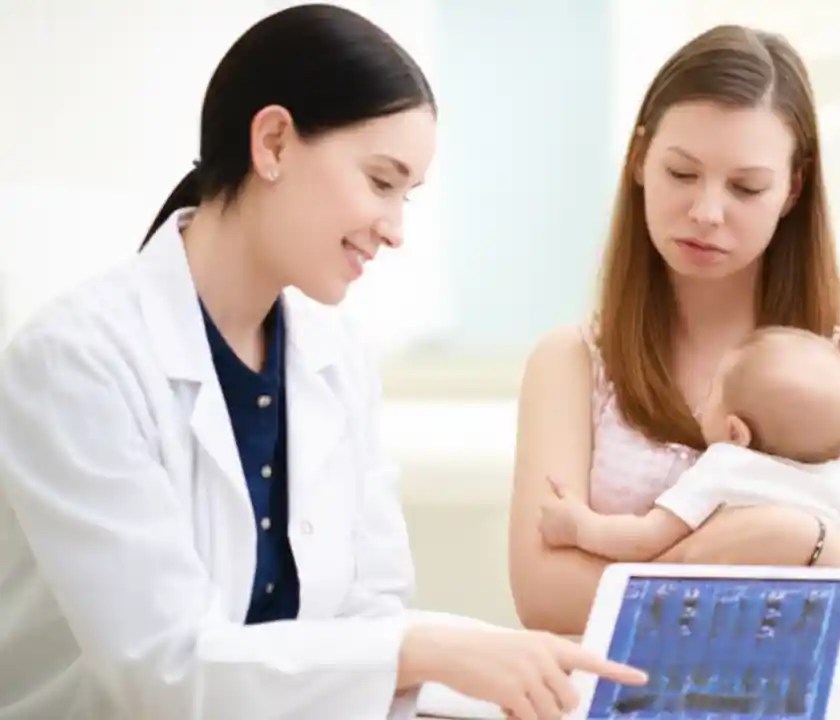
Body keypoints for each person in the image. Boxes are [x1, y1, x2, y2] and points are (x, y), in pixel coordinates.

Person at [0, 6, 644, 720]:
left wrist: (480, 674)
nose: (396, 229)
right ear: (273, 141)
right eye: (380, 181)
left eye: (408, 195)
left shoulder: (331, 355)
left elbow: (369, 615)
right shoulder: (76, 363)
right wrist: (427, 647)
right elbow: (166, 672)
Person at [508, 24, 840, 650]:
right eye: (681, 173)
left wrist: (801, 545)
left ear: (793, 190)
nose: (706, 211)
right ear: (638, 159)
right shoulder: (571, 362)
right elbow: (544, 594)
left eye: (746, 187)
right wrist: (722, 567)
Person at [537, 325, 840, 562]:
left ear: (736, 433)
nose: (700, 406)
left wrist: (579, 527)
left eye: (712, 395)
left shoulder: (726, 467)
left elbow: (644, 541)